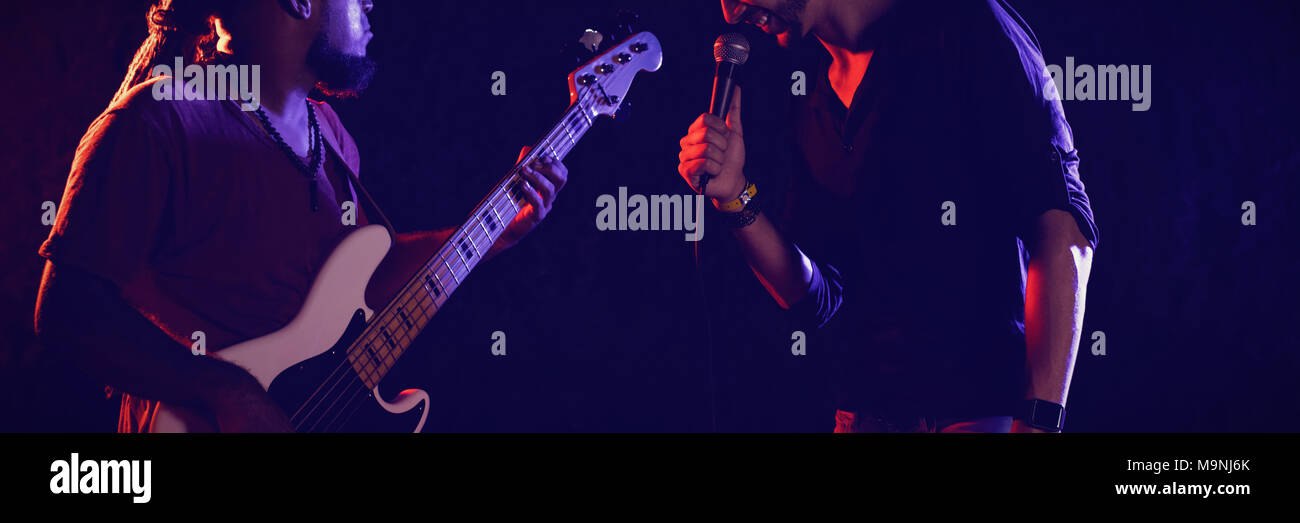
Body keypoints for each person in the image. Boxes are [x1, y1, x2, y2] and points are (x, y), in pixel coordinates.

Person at [33, 0, 569, 432]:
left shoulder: (333, 137)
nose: (371, 6)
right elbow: (66, 310)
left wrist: (498, 230)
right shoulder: (160, 120)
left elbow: (364, 289)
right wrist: (226, 390)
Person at [677, 0, 1098, 432]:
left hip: (973, 412)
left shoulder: (965, 24)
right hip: (862, 414)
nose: (731, 14)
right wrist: (734, 198)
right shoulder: (812, 98)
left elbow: (1061, 223)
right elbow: (819, 296)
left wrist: (1038, 421)